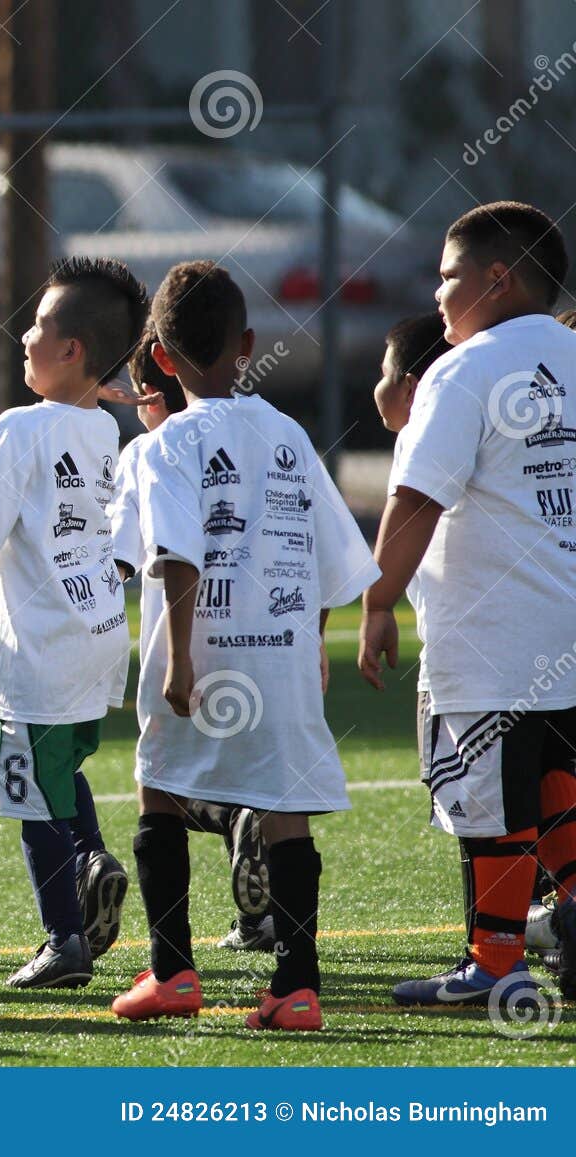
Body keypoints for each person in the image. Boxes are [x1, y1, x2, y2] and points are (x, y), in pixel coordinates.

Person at [114, 260, 378, 1031]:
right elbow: (327, 555)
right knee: (285, 804)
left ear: (159, 356)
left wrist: (182, 658)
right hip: (283, 653)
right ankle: (296, 984)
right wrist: (315, 649)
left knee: (158, 787)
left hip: (207, 648)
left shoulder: (168, 444)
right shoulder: (290, 434)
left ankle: (173, 971)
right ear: (247, 344)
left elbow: (175, 552)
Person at [359, 202, 576, 1008]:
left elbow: (416, 500)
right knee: (557, 782)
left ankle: (494, 963)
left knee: (491, 799)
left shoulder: (464, 368)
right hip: (566, 631)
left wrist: (376, 603)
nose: (439, 293)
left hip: (495, 636)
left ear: (497, 278)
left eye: (449, 276)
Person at [0, 258, 149, 989]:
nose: (22, 336)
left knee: (29, 791)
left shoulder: (20, 428)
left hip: (40, 641)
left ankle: (63, 939)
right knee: (60, 771)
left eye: (39, 326)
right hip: (101, 631)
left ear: (72, 349)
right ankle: (93, 861)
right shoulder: (106, 429)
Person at [108, 324, 275, 953]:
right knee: (256, 777)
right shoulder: (266, 434)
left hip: (184, 652)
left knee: (163, 783)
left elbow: (123, 559)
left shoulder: (149, 456)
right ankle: (262, 920)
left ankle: (169, 960)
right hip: (263, 644)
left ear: (154, 389)